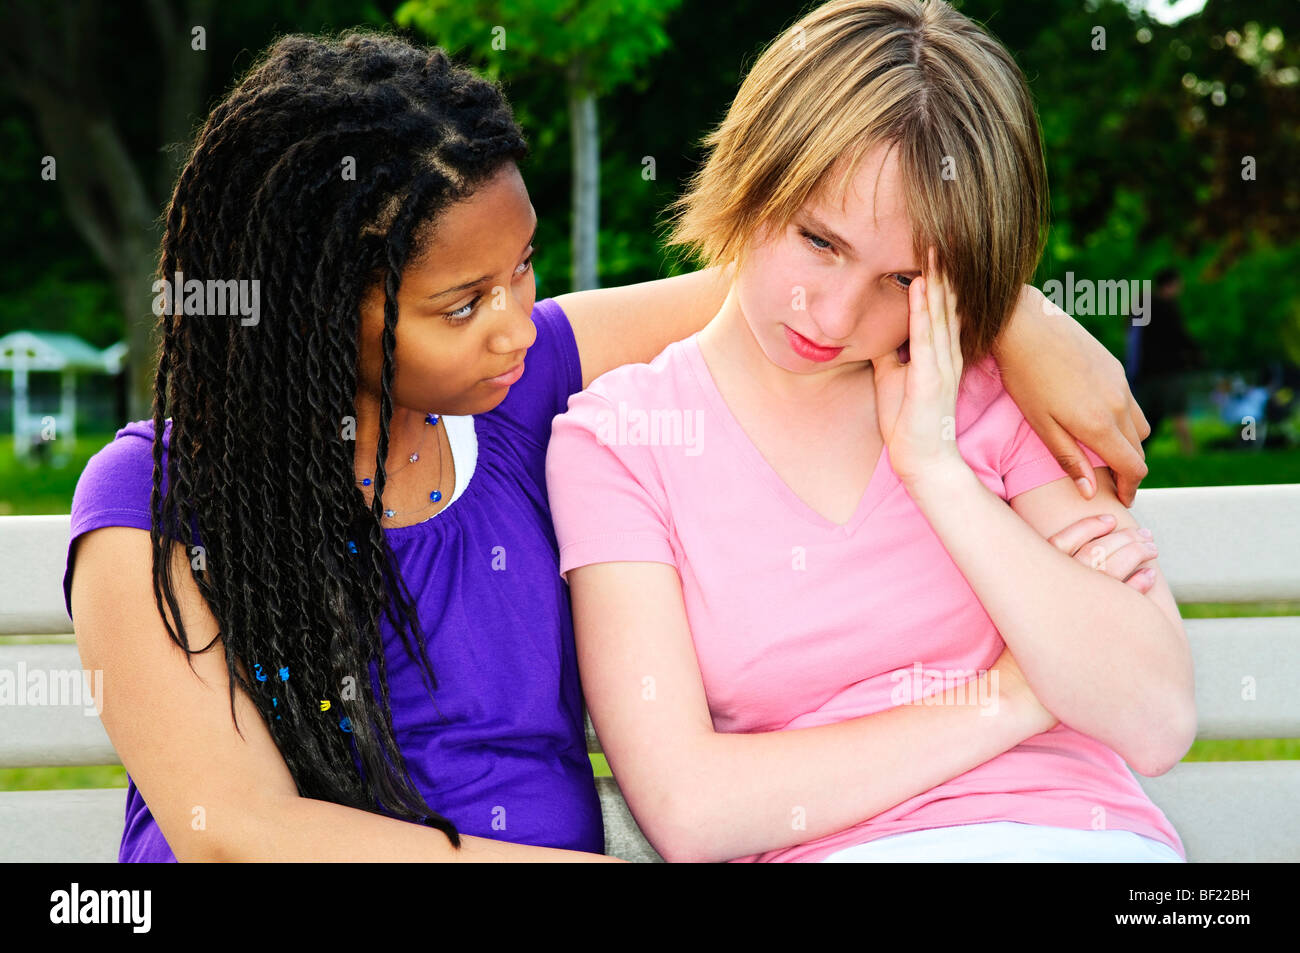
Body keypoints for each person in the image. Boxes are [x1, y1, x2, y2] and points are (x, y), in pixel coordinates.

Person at [66, 27, 1152, 863]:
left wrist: (1016, 313)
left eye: (526, 267)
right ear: (314, 309)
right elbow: (241, 831)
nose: (512, 317)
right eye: (462, 302)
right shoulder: (154, 496)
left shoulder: (511, 390)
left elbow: (798, 279)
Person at [547, 0, 1193, 863]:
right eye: (819, 240)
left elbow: (1153, 717)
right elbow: (689, 810)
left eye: (902, 278)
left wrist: (936, 471)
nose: (839, 312)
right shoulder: (622, 440)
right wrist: (1010, 697)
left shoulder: (1000, 391)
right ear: (751, 173)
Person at [1126, 267, 1203, 454]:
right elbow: (1180, 336)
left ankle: (1133, 453)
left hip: (1146, 374)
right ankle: (1189, 453)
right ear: (1172, 284)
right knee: (1178, 413)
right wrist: (1197, 356)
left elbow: (1132, 337)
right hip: (1169, 372)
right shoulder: (1168, 306)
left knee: (1145, 418)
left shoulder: (1142, 304)